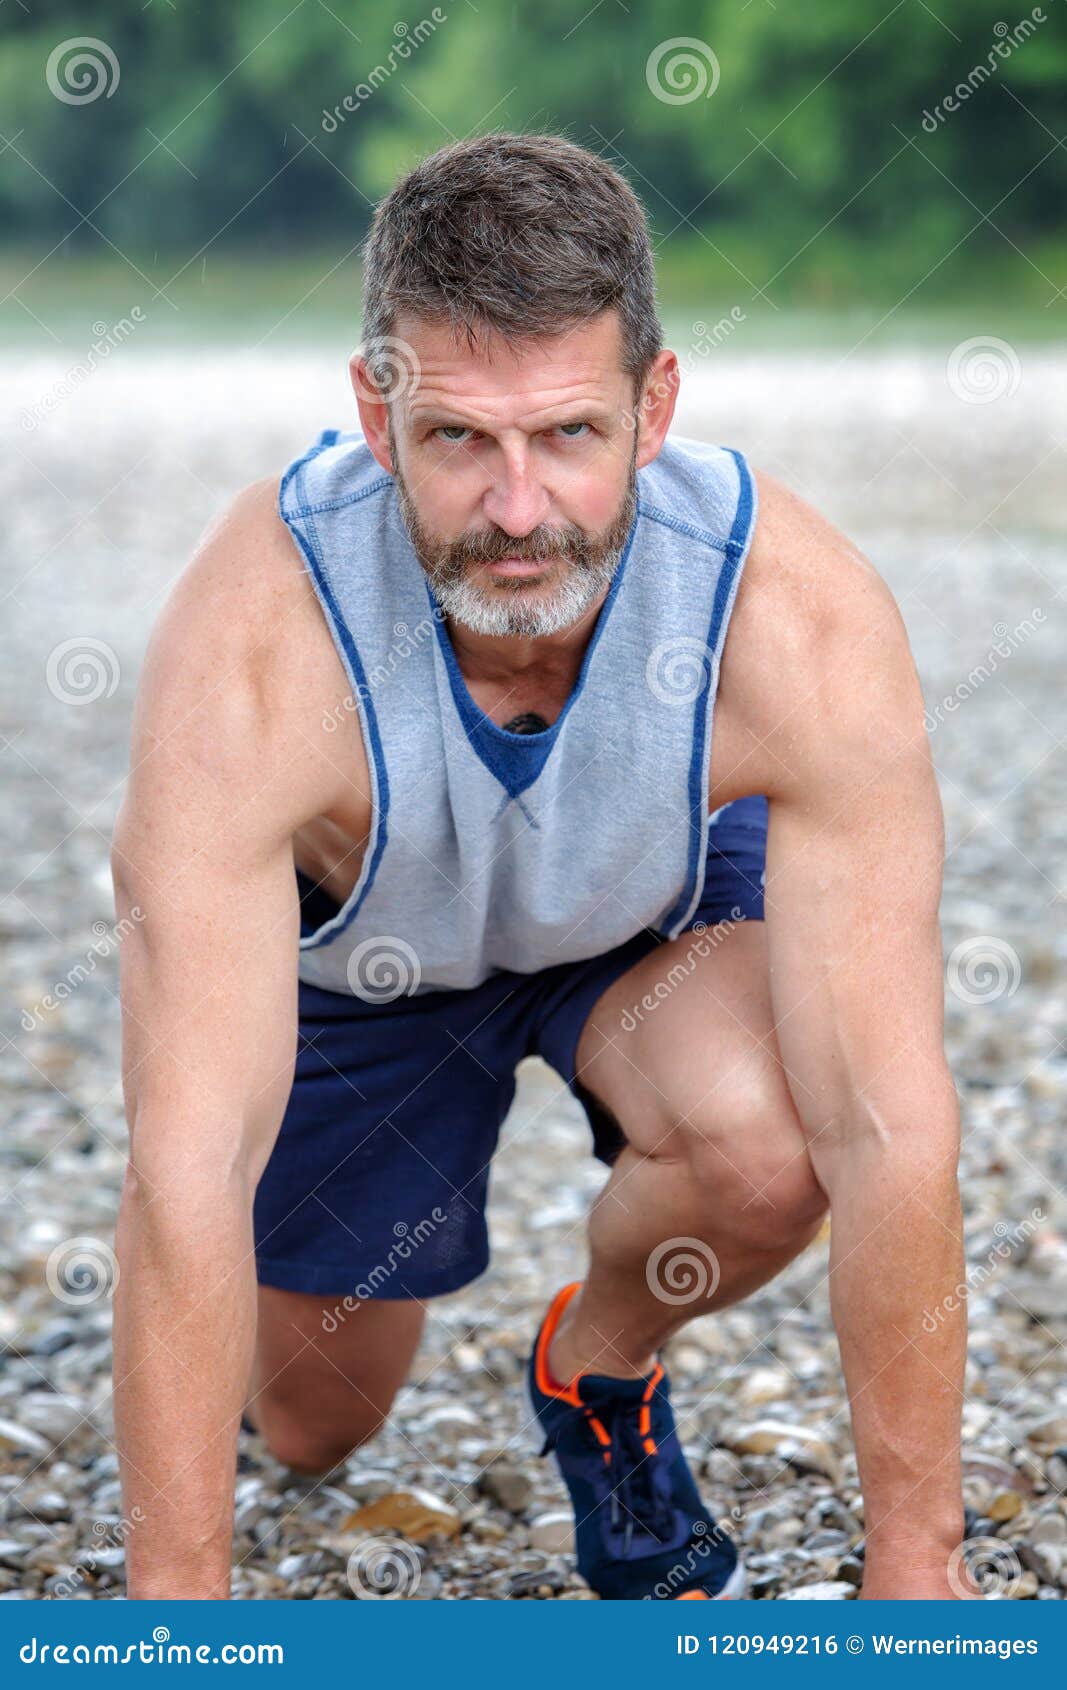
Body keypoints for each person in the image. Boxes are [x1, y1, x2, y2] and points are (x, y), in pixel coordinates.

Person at [111, 132, 968, 1601]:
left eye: (570, 433)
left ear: (656, 404)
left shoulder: (794, 621)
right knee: (314, 1424)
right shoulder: (256, 642)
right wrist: (173, 1622)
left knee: (773, 1146)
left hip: (639, 922)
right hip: (369, 954)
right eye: (460, 440)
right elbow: (185, 1163)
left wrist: (916, 1565)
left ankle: (597, 1362)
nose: (518, 511)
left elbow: (888, 1126)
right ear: (379, 417)